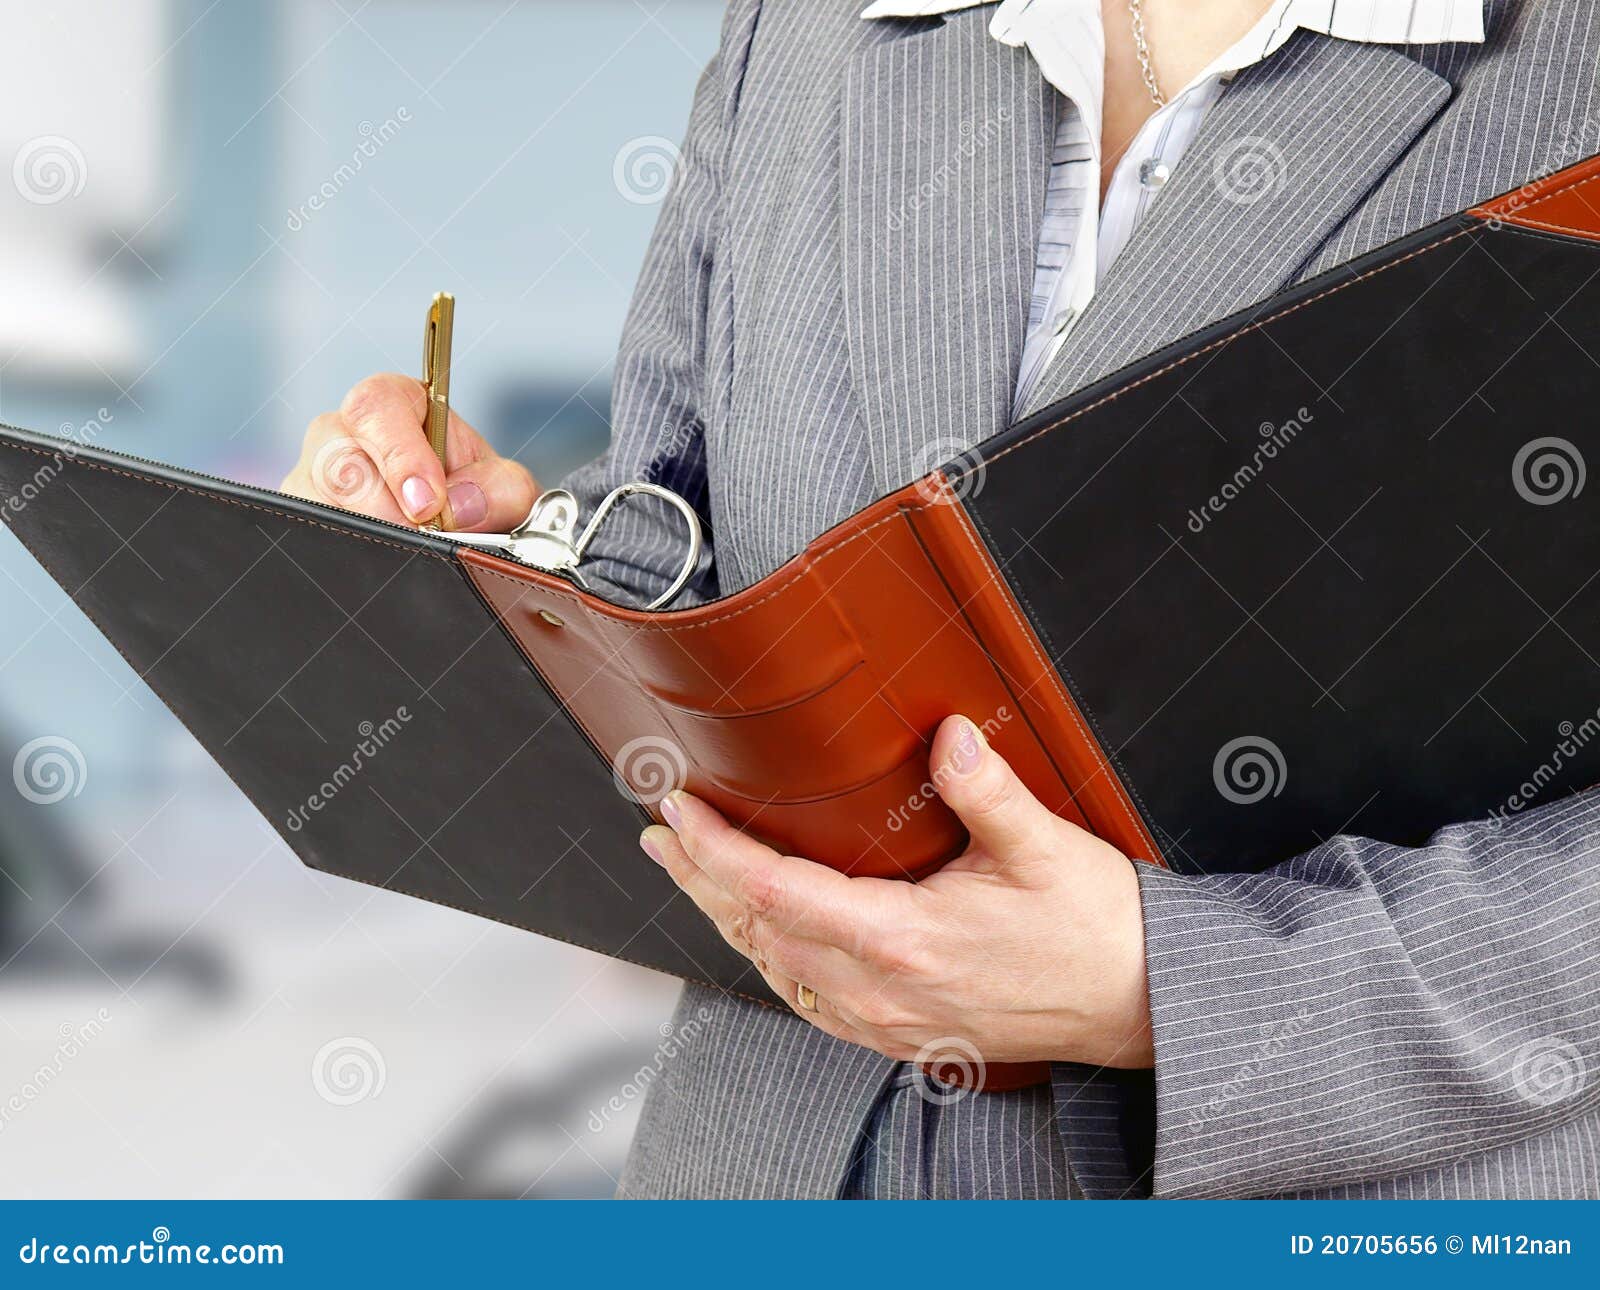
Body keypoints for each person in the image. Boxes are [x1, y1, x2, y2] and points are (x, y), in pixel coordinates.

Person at [283, 0, 1600, 1199]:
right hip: (769, 1172)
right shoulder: (805, 34)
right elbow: (689, 553)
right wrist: (504, 562)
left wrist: (1170, 985)